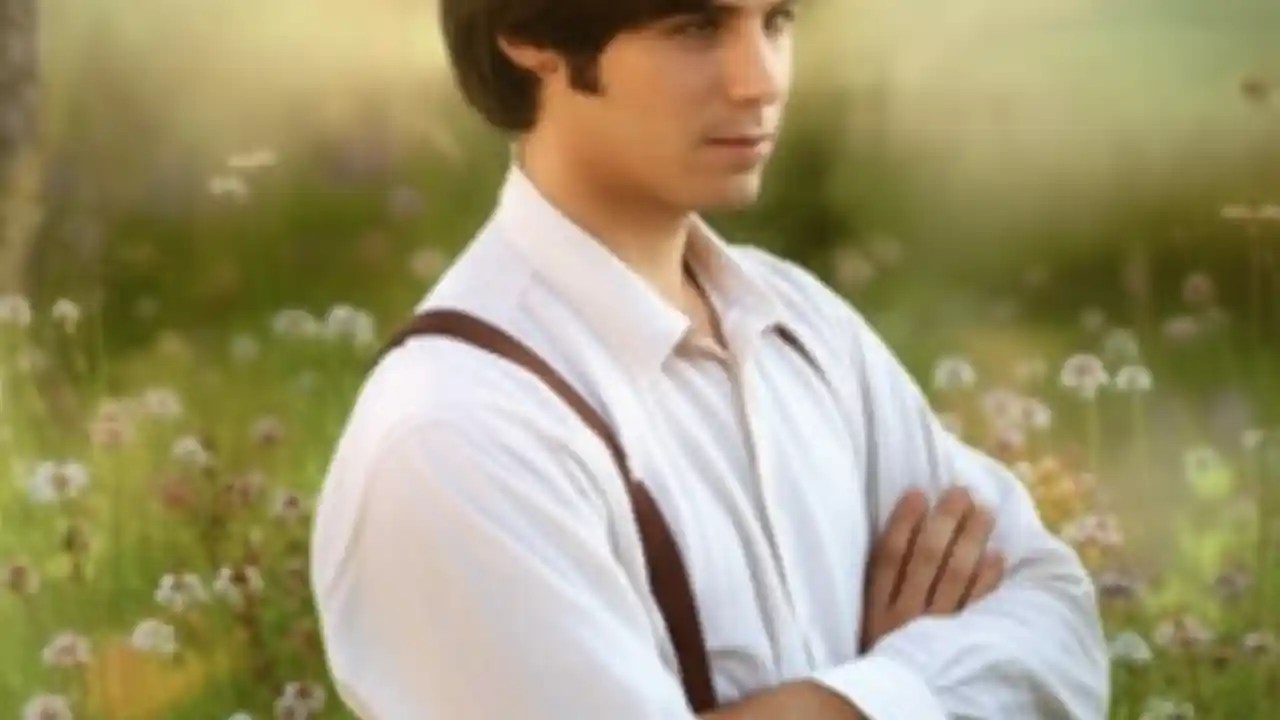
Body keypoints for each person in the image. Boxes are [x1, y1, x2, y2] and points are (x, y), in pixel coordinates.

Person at [308, 0, 1111, 717]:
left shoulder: (805, 326)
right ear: (528, 32)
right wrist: (896, 691)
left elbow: (1060, 625)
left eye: (777, 20)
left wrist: (851, 698)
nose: (760, 82)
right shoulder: (457, 429)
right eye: (695, 26)